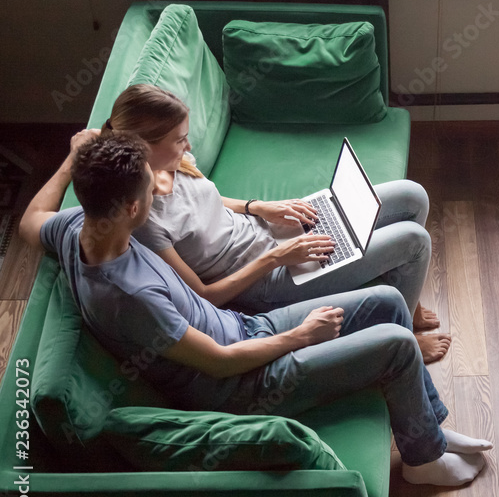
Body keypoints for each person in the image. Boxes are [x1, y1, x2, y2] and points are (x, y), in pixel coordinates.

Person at [19, 130, 490, 486]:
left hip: (245, 326)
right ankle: (421, 461)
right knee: (396, 345)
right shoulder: (130, 297)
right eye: (148, 189)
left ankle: (430, 431)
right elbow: (219, 364)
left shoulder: (76, 226)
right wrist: (302, 335)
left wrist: (71, 159)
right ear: (128, 208)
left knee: (388, 302)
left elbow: (29, 220)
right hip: (245, 384)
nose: (158, 191)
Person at [100, 84, 450, 363]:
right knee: (414, 241)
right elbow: (204, 297)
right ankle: (405, 339)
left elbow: (206, 202)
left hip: (268, 233)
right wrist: (278, 257)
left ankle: (407, 299)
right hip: (266, 280)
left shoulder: (174, 163)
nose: (188, 145)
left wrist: (259, 207)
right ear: (142, 147)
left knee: (412, 195)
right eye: (179, 140)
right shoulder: (145, 218)